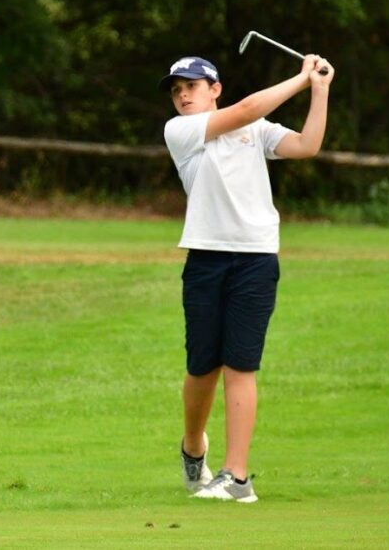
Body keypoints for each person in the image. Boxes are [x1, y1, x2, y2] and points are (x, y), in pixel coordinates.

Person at [160, 53, 335, 502]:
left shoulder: (255, 132)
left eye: (192, 87)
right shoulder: (179, 130)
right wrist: (299, 79)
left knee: (241, 363)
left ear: (214, 88)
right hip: (205, 257)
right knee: (203, 366)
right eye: (177, 89)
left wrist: (320, 90)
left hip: (256, 258)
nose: (182, 95)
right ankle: (193, 445)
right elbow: (245, 109)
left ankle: (236, 478)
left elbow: (307, 145)